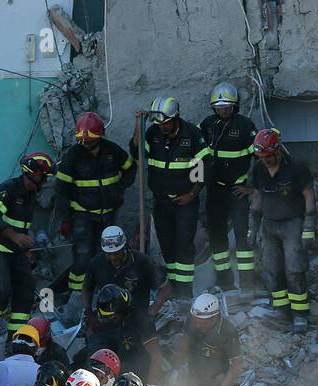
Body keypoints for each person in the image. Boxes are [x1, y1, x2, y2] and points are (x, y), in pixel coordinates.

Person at [130, 97, 209, 302]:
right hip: (161, 202)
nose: (162, 127)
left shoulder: (192, 134)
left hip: (185, 203)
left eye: (166, 123)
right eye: (159, 123)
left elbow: (204, 166)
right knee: (167, 246)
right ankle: (173, 287)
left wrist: (192, 194)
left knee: (184, 246)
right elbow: (136, 151)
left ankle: (185, 292)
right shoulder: (152, 133)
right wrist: (139, 124)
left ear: (175, 118)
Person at [54, 112, 135, 302]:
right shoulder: (73, 156)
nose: (86, 144)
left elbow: (130, 168)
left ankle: (104, 291)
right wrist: (66, 218)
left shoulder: (112, 151)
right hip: (82, 215)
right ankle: (77, 296)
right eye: (83, 140)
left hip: (108, 214)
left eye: (90, 140)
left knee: (107, 254)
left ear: (100, 136)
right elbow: (61, 190)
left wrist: (120, 189)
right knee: (82, 256)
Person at [0, 152, 54, 336]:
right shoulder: (9, 189)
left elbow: (22, 227)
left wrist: (26, 249)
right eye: (44, 177)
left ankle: (17, 335)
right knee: (2, 289)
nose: (45, 182)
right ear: (35, 174)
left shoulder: (30, 195)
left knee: (26, 286)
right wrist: (15, 237)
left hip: (16, 251)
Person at [249, 128, 314, 330]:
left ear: (277, 150)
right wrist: (253, 227)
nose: (265, 160)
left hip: (292, 224)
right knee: (273, 270)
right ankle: (281, 311)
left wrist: (309, 226)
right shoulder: (258, 169)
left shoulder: (296, 167)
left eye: (268, 156)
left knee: (294, 270)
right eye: (261, 157)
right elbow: (257, 198)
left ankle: (300, 314)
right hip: (269, 226)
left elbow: (309, 196)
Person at [200, 82, 257, 291]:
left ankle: (247, 284)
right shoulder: (206, 125)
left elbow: (261, 159)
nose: (224, 109)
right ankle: (225, 283)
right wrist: (199, 184)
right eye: (220, 106)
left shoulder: (246, 126)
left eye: (228, 106)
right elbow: (197, 156)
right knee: (217, 240)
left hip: (237, 191)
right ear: (213, 107)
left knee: (243, 239)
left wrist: (251, 188)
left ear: (235, 106)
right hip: (215, 191)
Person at [83, 225, 169, 329]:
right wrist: (89, 312)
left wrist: (151, 313)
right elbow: (87, 288)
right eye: (109, 254)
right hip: (108, 322)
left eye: (117, 253)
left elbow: (165, 287)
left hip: (136, 321)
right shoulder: (96, 263)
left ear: (124, 248)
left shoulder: (143, 262)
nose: (113, 258)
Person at [84, 284, 162, 386]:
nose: (111, 319)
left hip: (141, 381)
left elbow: (156, 357)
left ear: (122, 310)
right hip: (123, 379)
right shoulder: (118, 322)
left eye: (113, 316)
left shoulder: (141, 323)